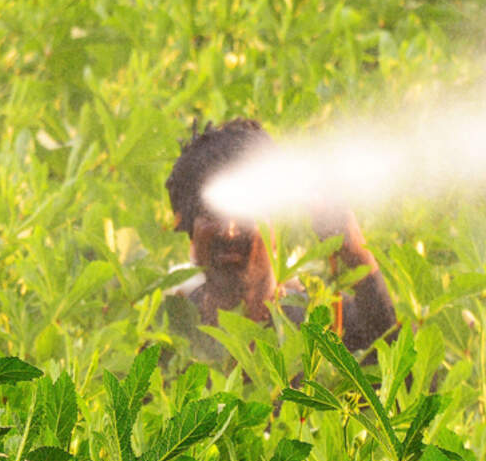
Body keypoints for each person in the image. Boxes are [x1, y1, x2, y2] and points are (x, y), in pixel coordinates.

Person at [164, 118, 397, 353]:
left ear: (277, 228)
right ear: (189, 230)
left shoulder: (322, 323)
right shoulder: (170, 330)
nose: (229, 232)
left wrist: (359, 259)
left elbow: (402, 369)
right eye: (210, 214)